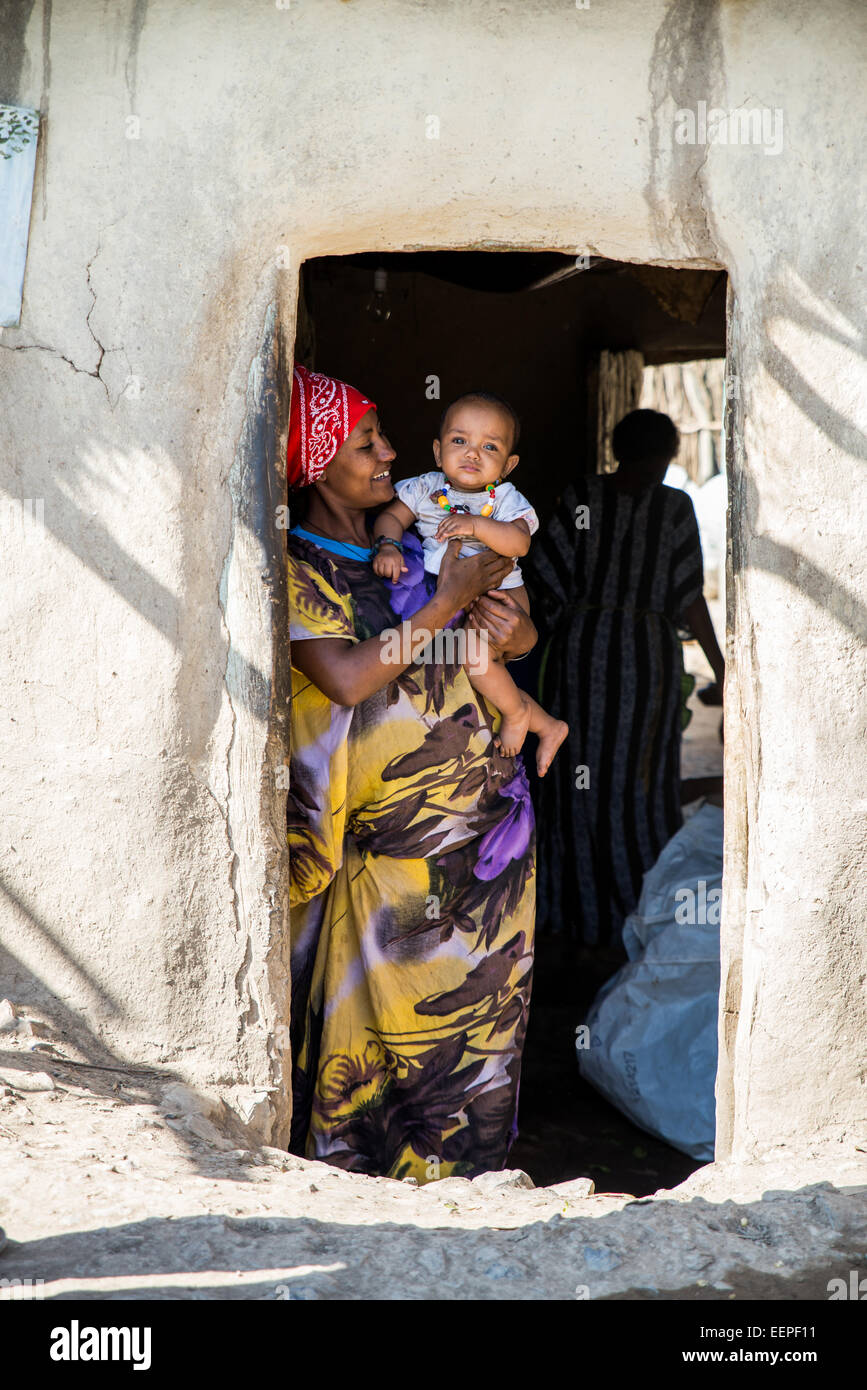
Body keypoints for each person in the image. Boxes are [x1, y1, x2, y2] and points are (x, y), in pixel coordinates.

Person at [285, 365, 538, 1181]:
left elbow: (504, 639)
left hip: (485, 846)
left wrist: (513, 632)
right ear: (315, 461)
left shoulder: (424, 539)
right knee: (376, 1054)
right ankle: (362, 1205)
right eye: (366, 442)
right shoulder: (296, 566)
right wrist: (445, 600)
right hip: (379, 870)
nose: (391, 453)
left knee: (476, 1041)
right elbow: (350, 678)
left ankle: (472, 1205)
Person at [523, 408, 725, 951]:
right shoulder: (674, 507)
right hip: (648, 661)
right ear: (665, 456)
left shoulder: (582, 495)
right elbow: (689, 599)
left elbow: (541, 583)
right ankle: (642, 915)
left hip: (582, 656)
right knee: (643, 784)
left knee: (576, 784)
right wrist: (721, 665)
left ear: (615, 446)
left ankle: (574, 919)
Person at [372, 391, 569, 776]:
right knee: (476, 674)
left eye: (489, 446)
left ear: (508, 464)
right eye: (459, 441)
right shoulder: (424, 489)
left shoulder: (506, 500)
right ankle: (546, 724)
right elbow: (389, 518)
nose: (472, 453)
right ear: (437, 449)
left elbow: (520, 543)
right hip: (455, 603)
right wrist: (390, 545)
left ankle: (517, 715)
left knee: (476, 662)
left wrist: (477, 525)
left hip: (499, 600)